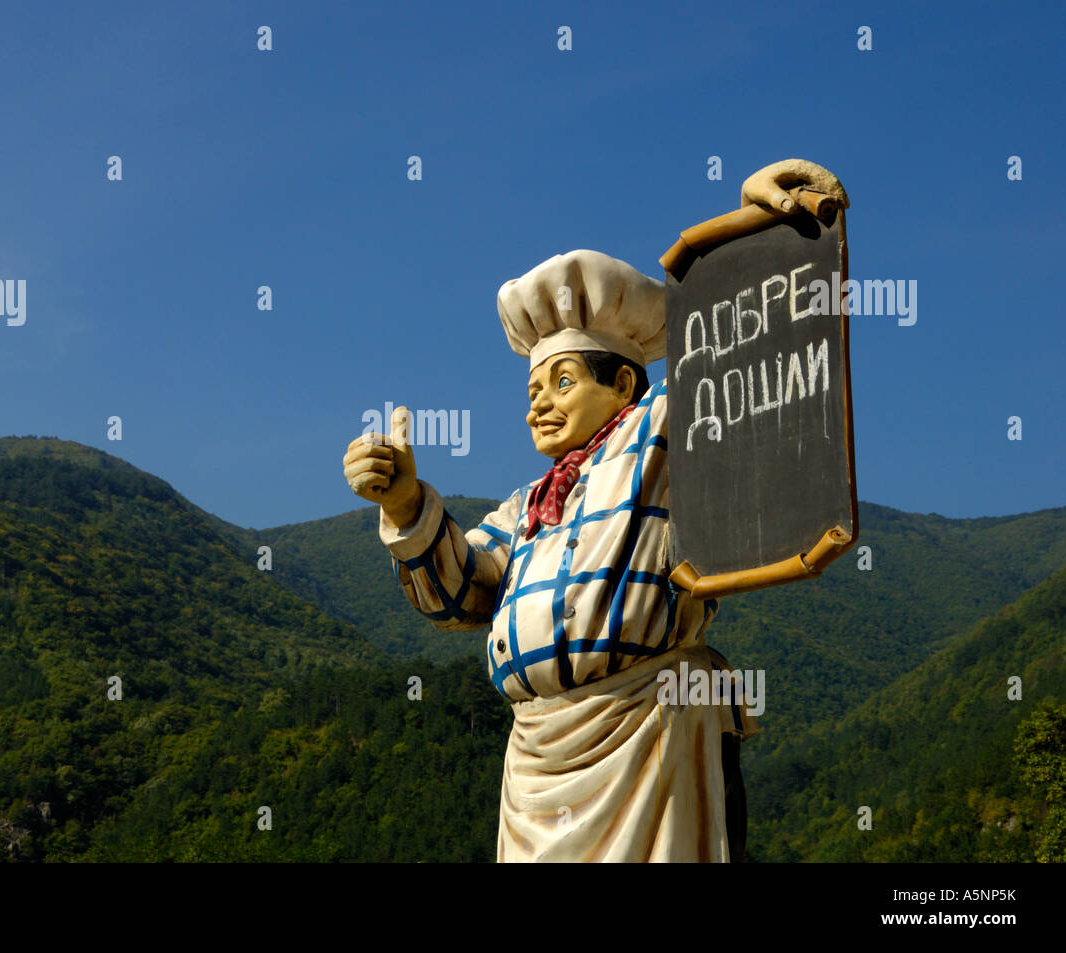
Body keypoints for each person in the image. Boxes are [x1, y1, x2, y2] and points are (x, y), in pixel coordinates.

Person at [342, 159, 846, 862]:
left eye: (564, 380)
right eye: (531, 389)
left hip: (646, 729)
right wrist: (403, 502)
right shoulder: (525, 508)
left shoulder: (665, 433)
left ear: (626, 384)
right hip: (537, 755)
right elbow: (463, 591)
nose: (539, 403)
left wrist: (759, 237)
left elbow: (749, 361)